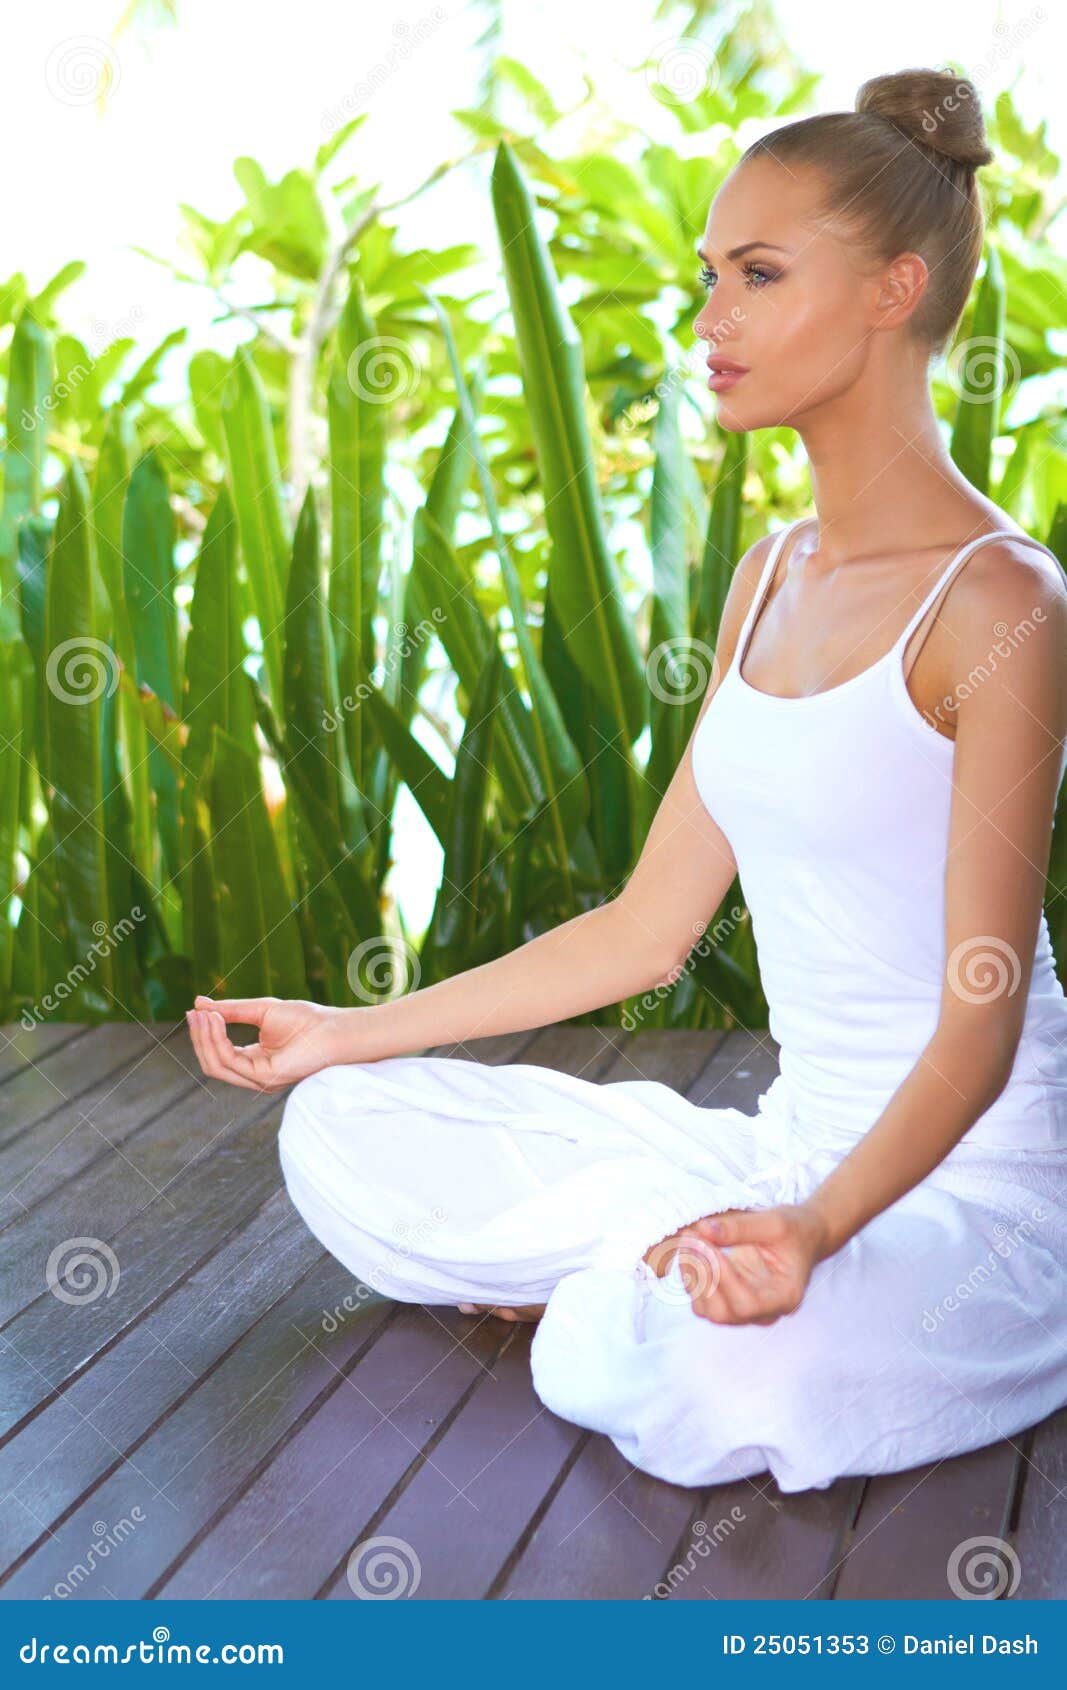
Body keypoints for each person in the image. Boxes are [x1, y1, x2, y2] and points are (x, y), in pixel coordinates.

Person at [185, 67, 1067, 1492]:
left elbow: (985, 1015)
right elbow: (646, 929)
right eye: (707, 275)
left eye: (758, 276)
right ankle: (666, 1264)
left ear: (897, 288)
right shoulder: (771, 574)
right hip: (785, 1147)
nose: (707, 321)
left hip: (960, 1194)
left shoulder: (1001, 600)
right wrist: (351, 1026)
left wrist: (815, 1230)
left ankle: (676, 1283)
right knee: (340, 1123)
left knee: (733, 1376)